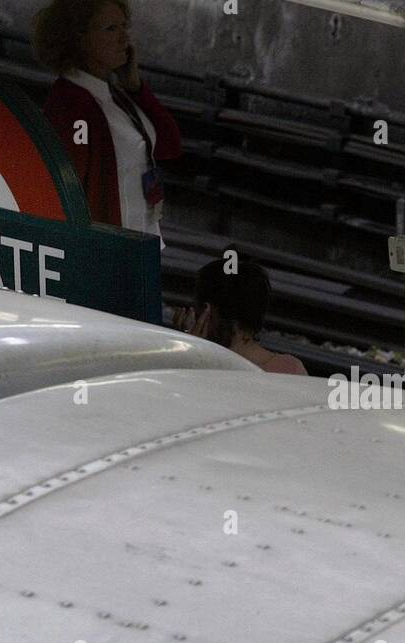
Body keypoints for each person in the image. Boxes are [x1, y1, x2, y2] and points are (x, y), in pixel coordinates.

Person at [34, 0, 182, 244]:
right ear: (79, 39)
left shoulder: (114, 95)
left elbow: (169, 144)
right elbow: (64, 193)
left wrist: (136, 88)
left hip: (138, 239)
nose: (125, 39)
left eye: (124, 26)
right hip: (109, 249)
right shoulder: (73, 104)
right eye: (111, 29)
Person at [175, 254, 308, 375]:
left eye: (196, 306)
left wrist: (185, 353)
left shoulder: (202, 369)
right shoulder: (291, 368)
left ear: (207, 311)